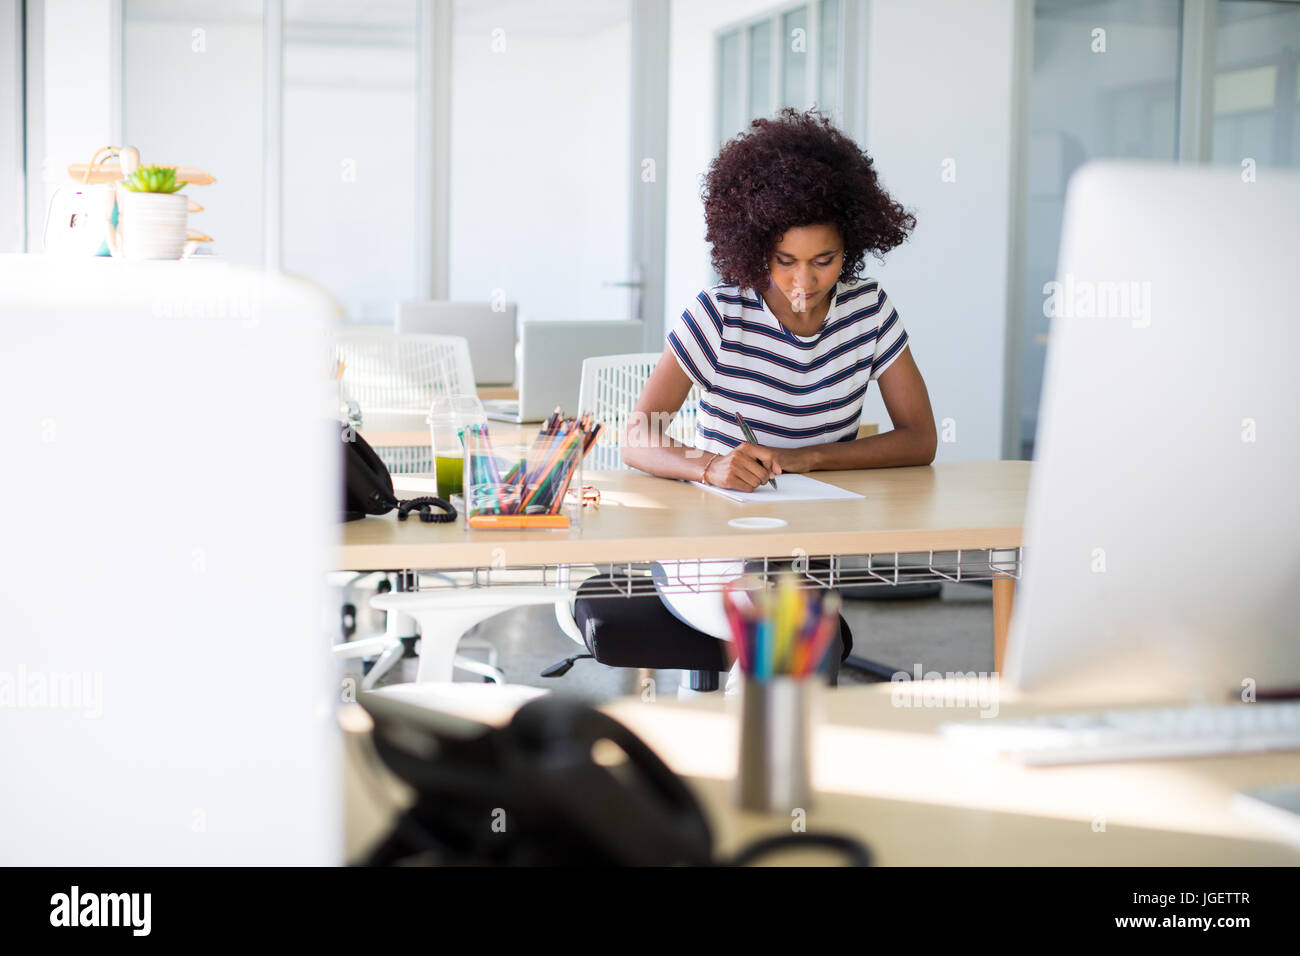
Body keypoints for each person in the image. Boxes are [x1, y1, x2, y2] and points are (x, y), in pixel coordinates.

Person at [623, 108, 937, 685]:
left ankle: (760, 748)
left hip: (807, 550)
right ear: (753, 247)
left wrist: (811, 456)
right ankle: (758, 751)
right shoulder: (721, 313)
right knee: (782, 624)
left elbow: (920, 439)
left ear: (854, 247)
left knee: (788, 616)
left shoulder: (867, 310)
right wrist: (712, 465)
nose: (803, 283)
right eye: (784, 261)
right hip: (708, 549)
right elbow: (637, 435)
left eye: (825, 261)